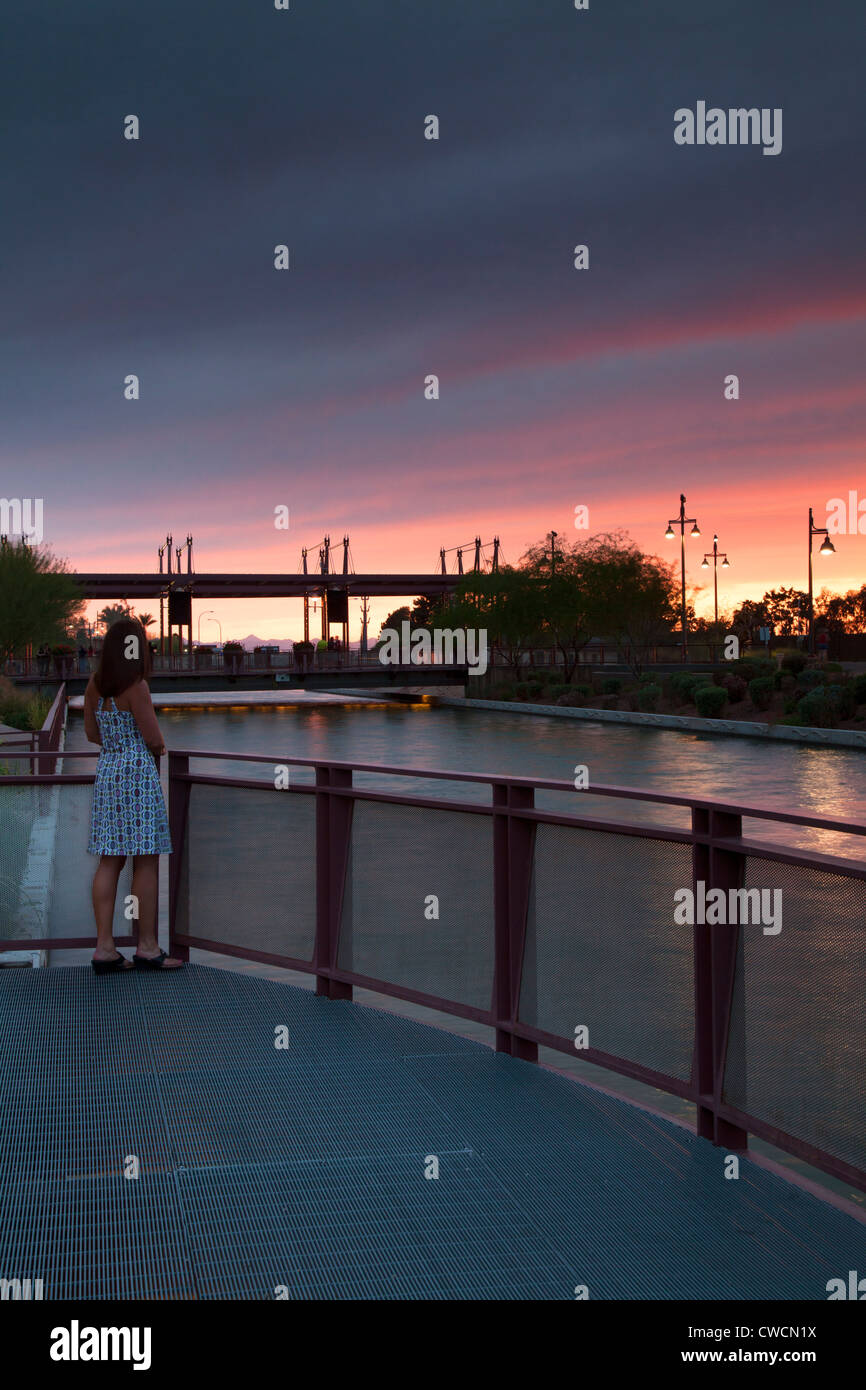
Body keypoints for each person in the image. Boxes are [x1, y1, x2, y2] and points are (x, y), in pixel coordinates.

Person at [83, 617, 182, 973]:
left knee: (110, 859)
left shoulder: (95, 685)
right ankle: (147, 946)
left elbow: (92, 734)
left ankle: (105, 948)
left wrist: (115, 744)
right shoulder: (136, 686)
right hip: (138, 775)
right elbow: (154, 739)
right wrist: (156, 748)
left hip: (108, 773)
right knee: (146, 859)